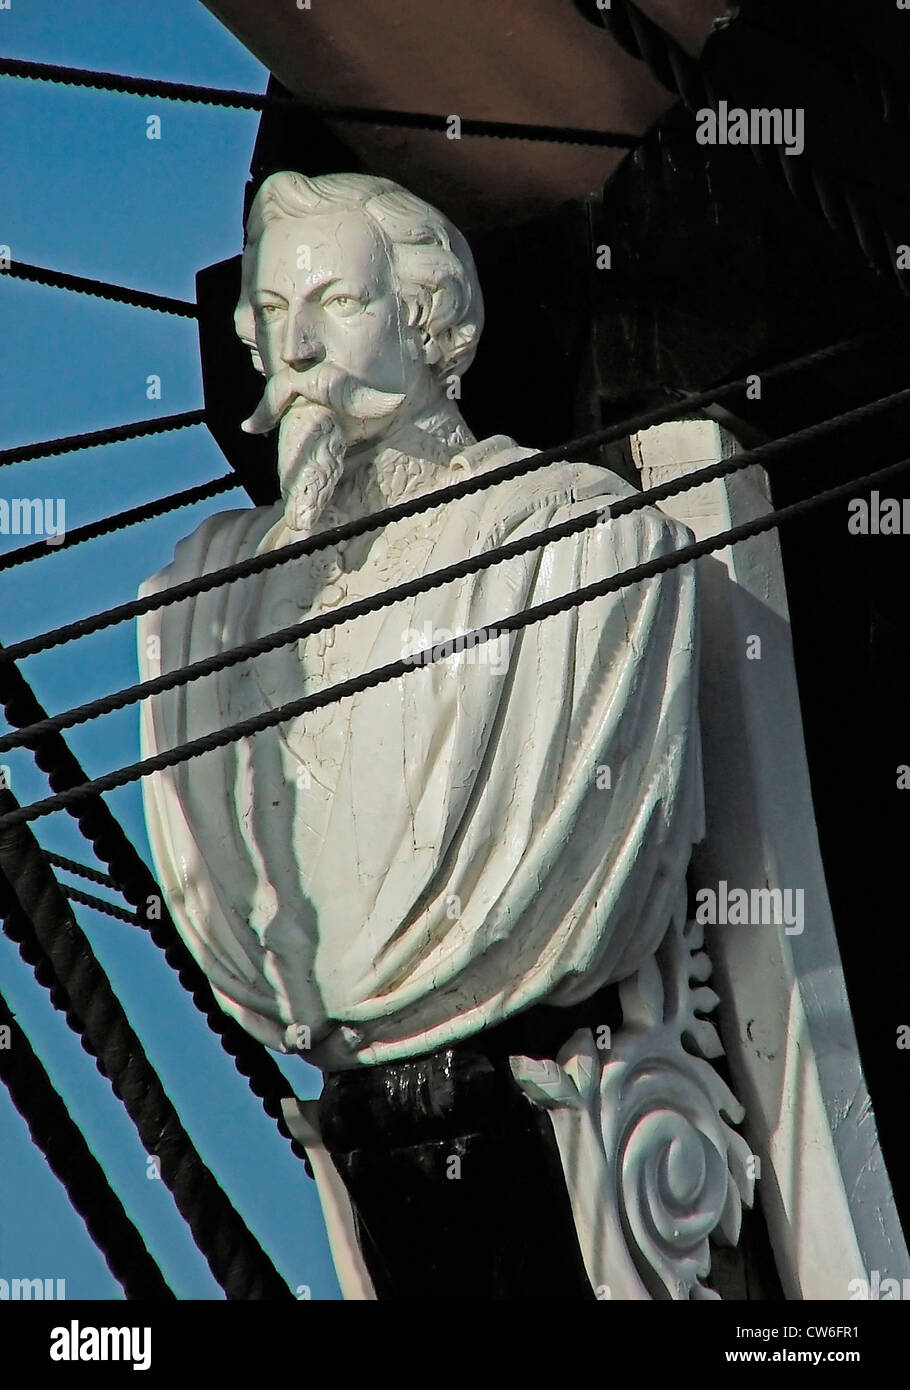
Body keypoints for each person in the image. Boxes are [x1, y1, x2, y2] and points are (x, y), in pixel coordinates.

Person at [138, 171, 703, 1297]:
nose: (294, 350)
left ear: (431, 322)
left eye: (335, 306)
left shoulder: (576, 549)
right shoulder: (190, 608)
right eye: (272, 313)